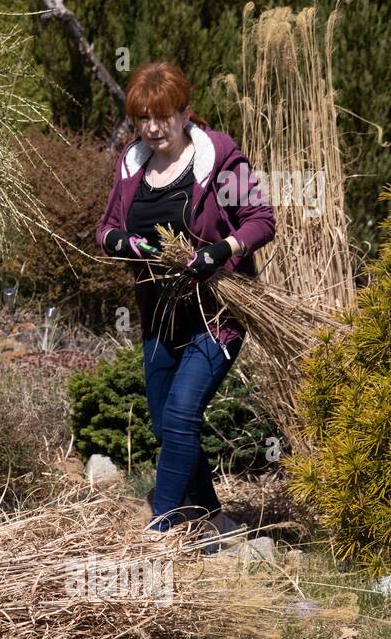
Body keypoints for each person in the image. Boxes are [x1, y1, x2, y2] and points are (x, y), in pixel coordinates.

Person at [95, 61, 274, 544]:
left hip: (217, 315)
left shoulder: (219, 157)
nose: (153, 128)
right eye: (142, 118)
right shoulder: (132, 164)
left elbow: (261, 219)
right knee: (163, 420)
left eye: (163, 116)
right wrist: (133, 247)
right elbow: (106, 229)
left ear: (183, 112)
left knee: (181, 415)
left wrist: (219, 251)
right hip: (159, 317)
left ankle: (161, 530)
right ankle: (216, 520)